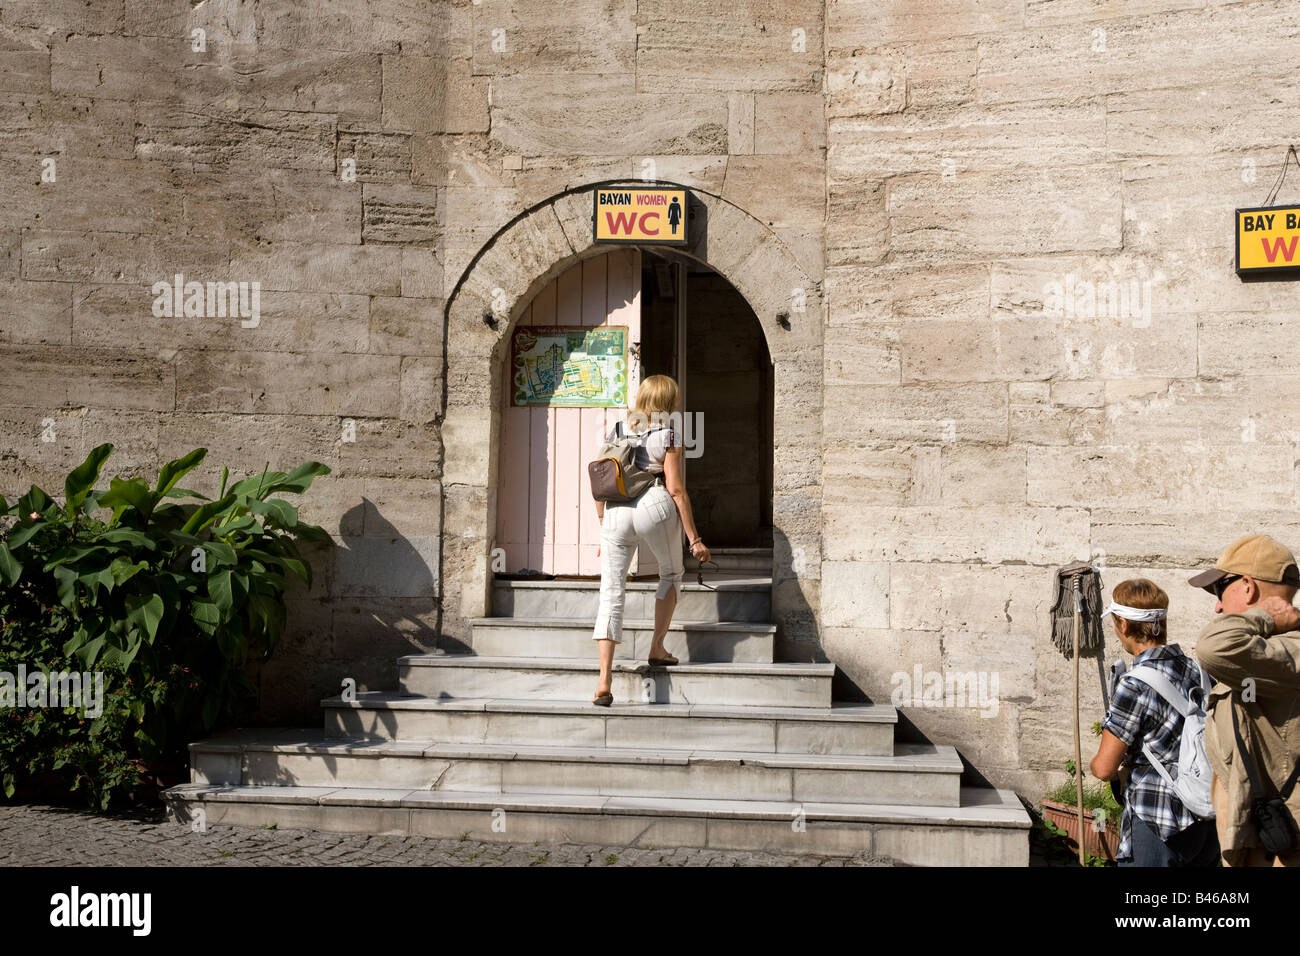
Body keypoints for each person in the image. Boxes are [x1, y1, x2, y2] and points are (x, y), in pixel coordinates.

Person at [590, 375, 710, 706]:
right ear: (670, 401)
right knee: (670, 573)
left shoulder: (616, 430)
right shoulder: (668, 434)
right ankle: (657, 647)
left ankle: (603, 680)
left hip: (615, 511)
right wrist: (694, 539)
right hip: (653, 504)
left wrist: (603, 523)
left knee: (611, 593)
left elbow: (600, 479)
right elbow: (676, 489)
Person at [1090, 578, 1220, 866]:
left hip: (1158, 820)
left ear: (1123, 625)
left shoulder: (1135, 684)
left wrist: (1113, 769)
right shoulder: (1199, 671)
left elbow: (1103, 767)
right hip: (1205, 813)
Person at [1190, 533, 1300, 866]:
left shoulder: (1289, 649)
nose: (1217, 605)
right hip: (1258, 840)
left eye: (1219, 590)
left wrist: (1265, 615)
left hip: (1283, 849)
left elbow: (1213, 647)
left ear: (1248, 587)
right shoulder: (1261, 653)